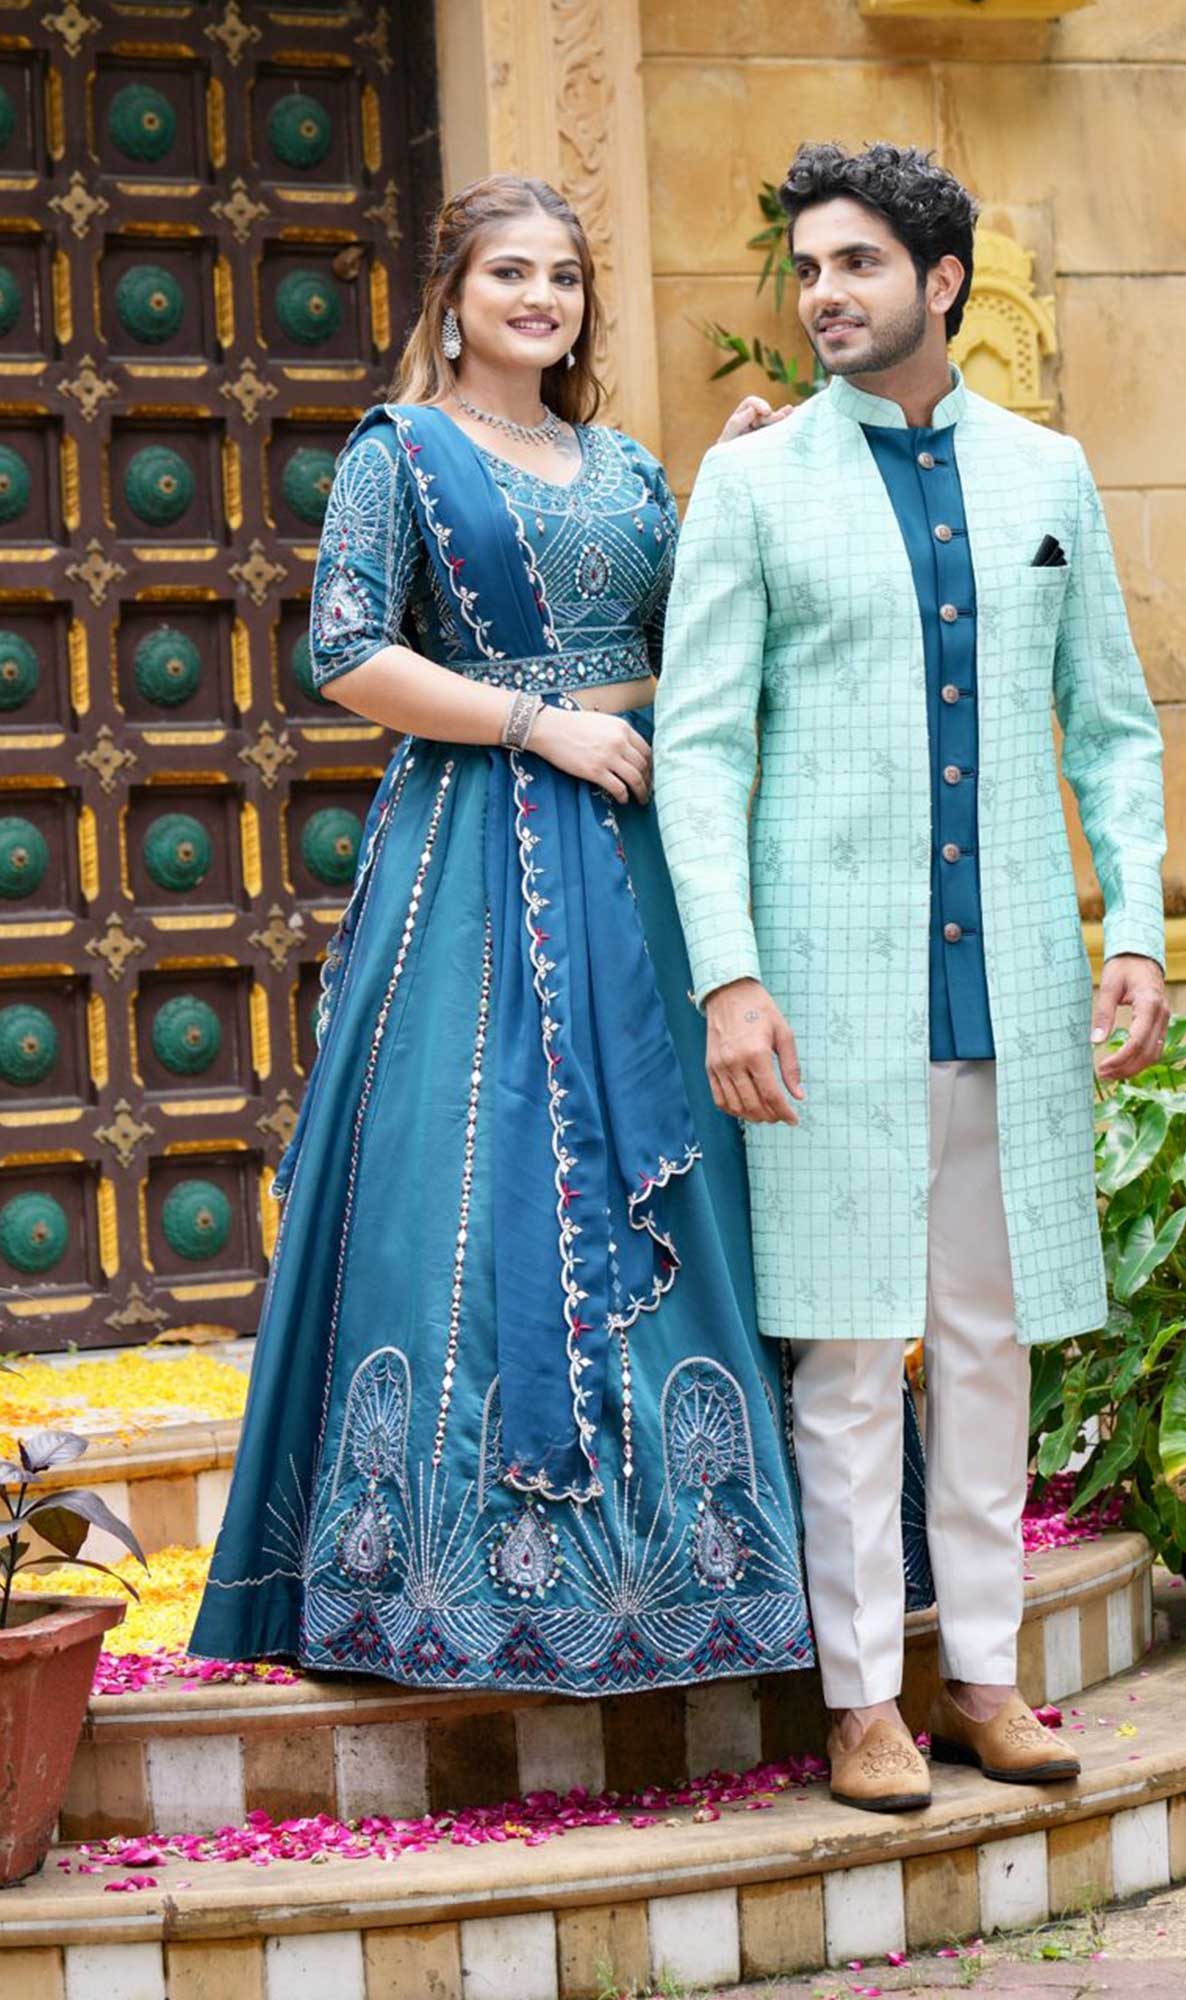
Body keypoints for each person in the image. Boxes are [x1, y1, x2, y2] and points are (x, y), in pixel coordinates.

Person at [190, 175, 814, 1695]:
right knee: (483, 1175)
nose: (541, 298)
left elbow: (687, 642)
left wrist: (732, 486)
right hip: (477, 857)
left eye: (564, 277)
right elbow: (347, 651)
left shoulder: (628, 466)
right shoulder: (401, 452)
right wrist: (541, 726)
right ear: (453, 298)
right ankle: (442, 1584)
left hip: (640, 856)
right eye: (509, 273)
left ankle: (720, 1571)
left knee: (672, 1161)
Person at [653, 142, 1170, 1811]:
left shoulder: (1049, 474)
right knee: (849, 1350)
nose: (825, 295)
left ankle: (988, 1682)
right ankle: (864, 1701)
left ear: (941, 280)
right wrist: (730, 977)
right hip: (822, 997)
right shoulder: (755, 486)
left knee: (989, 1343)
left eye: (859, 263)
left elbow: (1112, 726)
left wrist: (1137, 924)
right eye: (810, 268)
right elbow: (701, 746)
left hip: (1010, 982)